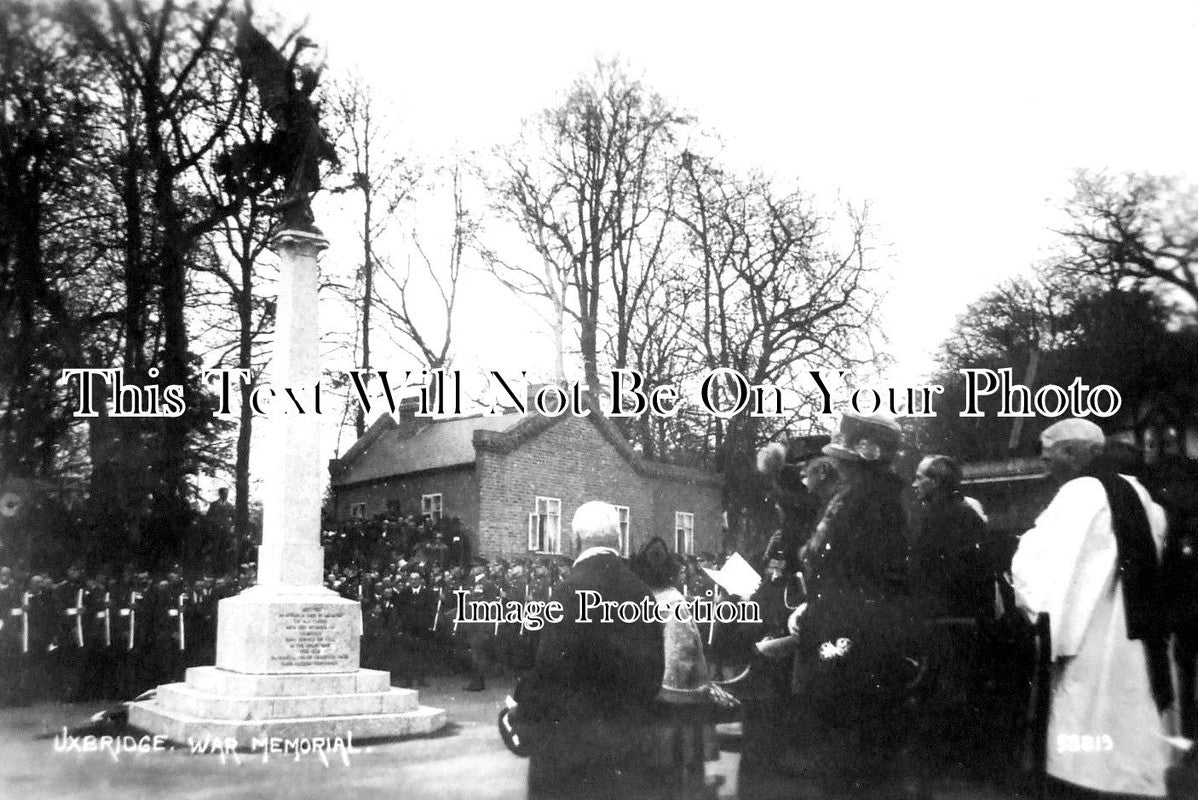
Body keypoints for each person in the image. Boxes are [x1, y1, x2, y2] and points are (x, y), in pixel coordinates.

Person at [1011, 418, 1176, 798]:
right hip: (1133, 633)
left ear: (1071, 453)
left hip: (1090, 637)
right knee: (1128, 728)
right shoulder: (1141, 493)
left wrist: (1031, 590)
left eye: (1049, 457)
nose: (1046, 466)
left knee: (1082, 734)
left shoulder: (1081, 492)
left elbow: (1043, 564)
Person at [789, 412, 923, 799]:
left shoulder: (862, 501)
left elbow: (840, 568)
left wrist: (815, 612)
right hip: (872, 634)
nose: (838, 467)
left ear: (862, 460)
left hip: (850, 637)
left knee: (845, 743)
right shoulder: (893, 497)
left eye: (844, 460)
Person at [512, 500, 665, 800]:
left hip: (574, 753)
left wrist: (519, 706)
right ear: (618, 541)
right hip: (628, 748)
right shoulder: (642, 593)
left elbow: (549, 674)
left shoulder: (568, 591)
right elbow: (654, 673)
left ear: (575, 540)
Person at [631, 537, 734, 800]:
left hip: (672, 706)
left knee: (674, 776)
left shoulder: (666, 601)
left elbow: (677, 660)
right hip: (672, 702)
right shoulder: (661, 599)